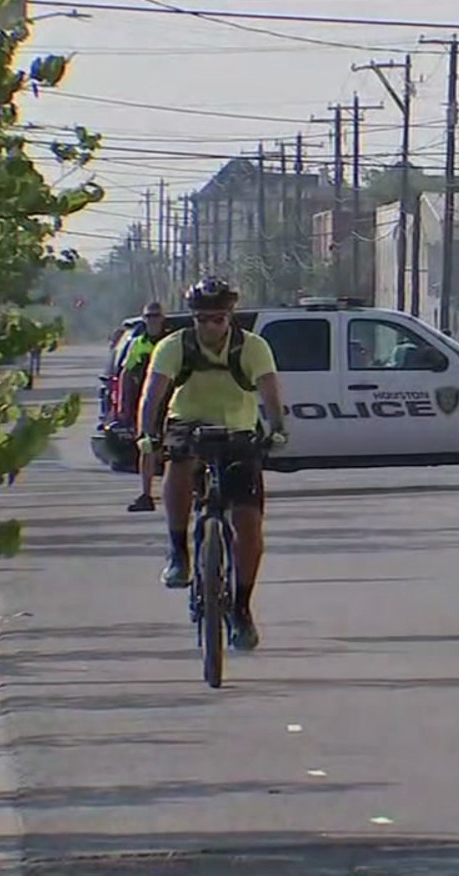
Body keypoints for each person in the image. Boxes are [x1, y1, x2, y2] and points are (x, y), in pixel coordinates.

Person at [135, 278, 288, 651]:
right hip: (188, 423)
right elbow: (153, 392)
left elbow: (269, 391)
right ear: (193, 319)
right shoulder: (175, 346)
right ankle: (179, 552)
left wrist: (278, 429)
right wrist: (145, 434)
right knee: (180, 461)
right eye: (203, 319)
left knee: (249, 526)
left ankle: (241, 609)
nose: (210, 327)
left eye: (218, 319)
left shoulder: (252, 348)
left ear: (230, 317)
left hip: (238, 430)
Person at [124, 301, 170, 512]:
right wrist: (124, 406)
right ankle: (146, 493)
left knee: (176, 449)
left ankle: (179, 491)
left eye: (155, 316)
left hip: (171, 401)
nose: (152, 320)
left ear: (162, 318)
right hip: (147, 401)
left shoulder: (170, 342)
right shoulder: (139, 343)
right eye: (148, 316)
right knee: (147, 446)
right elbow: (127, 374)